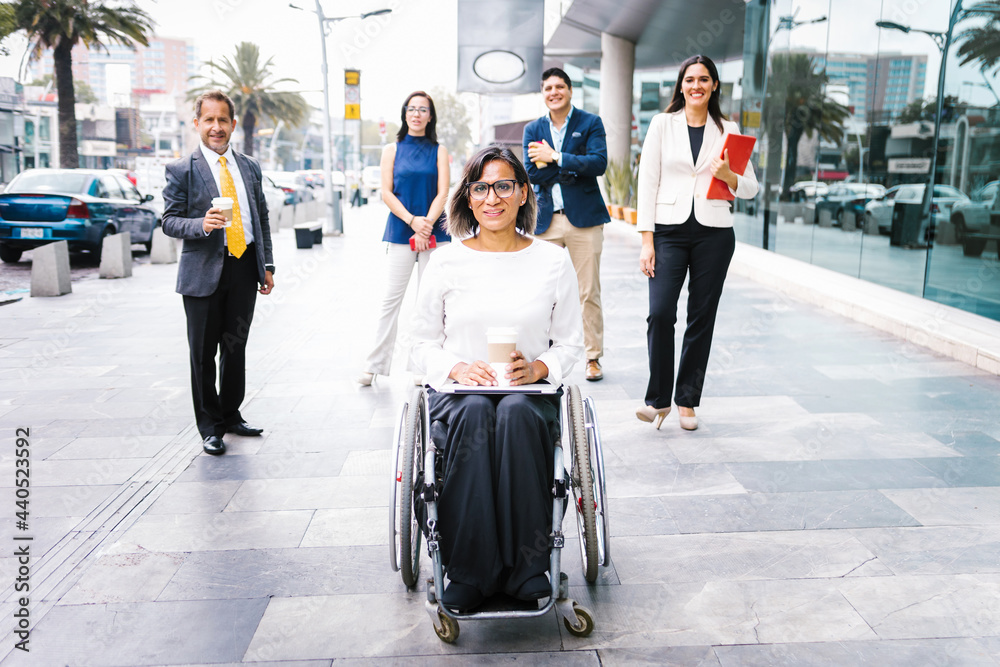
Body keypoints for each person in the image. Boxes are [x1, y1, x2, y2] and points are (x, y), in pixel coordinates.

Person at [410, 146, 584, 612]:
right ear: (468, 197)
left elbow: (571, 343)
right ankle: (469, 571)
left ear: (522, 192)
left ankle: (527, 569)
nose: (493, 198)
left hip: (527, 392)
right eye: (482, 187)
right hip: (459, 393)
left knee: (515, 414)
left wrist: (541, 368)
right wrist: (456, 368)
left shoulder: (552, 260)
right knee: (472, 413)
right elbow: (421, 343)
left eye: (504, 185)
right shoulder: (446, 262)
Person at [635, 55, 758, 431]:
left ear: (715, 86)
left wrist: (729, 176)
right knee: (660, 313)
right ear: (681, 85)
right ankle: (658, 400)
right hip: (669, 230)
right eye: (690, 79)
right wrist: (646, 240)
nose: (696, 86)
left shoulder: (728, 128)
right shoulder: (661, 124)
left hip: (714, 233)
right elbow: (647, 182)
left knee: (701, 318)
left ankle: (686, 400)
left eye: (704, 79)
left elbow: (751, 188)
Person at [162, 90, 275, 455]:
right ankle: (209, 426)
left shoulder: (250, 167)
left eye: (222, 120)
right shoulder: (182, 170)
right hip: (202, 272)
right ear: (197, 124)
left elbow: (261, 218)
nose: (216, 127)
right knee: (202, 353)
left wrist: (267, 265)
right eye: (208, 120)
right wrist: (202, 225)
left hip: (244, 265)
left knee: (235, 347)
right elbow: (168, 221)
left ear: (233, 124)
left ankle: (230, 414)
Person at [522, 67, 610, 382]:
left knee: (588, 291)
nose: (554, 92)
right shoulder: (533, 129)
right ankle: (539, 357)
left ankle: (592, 357)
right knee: (542, 292)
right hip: (546, 222)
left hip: (584, 221)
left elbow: (598, 163)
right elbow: (532, 173)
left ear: (570, 91)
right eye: (548, 88)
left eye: (560, 86)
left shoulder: (590, 123)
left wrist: (555, 157)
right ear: (543, 93)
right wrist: (572, 164)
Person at [358, 91, 450, 386]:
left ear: (430, 116)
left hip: (435, 232)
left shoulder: (439, 150)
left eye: (423, 109)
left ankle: (422, 366)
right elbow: (386, 192)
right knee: (390, 300)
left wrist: (427, 225)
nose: (417, 114)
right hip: (400, 232)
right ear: (405, 113)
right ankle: (373, 365)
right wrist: (413, 221)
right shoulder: (392, 150)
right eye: (412, 109)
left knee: (429, 302)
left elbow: (443, 192)